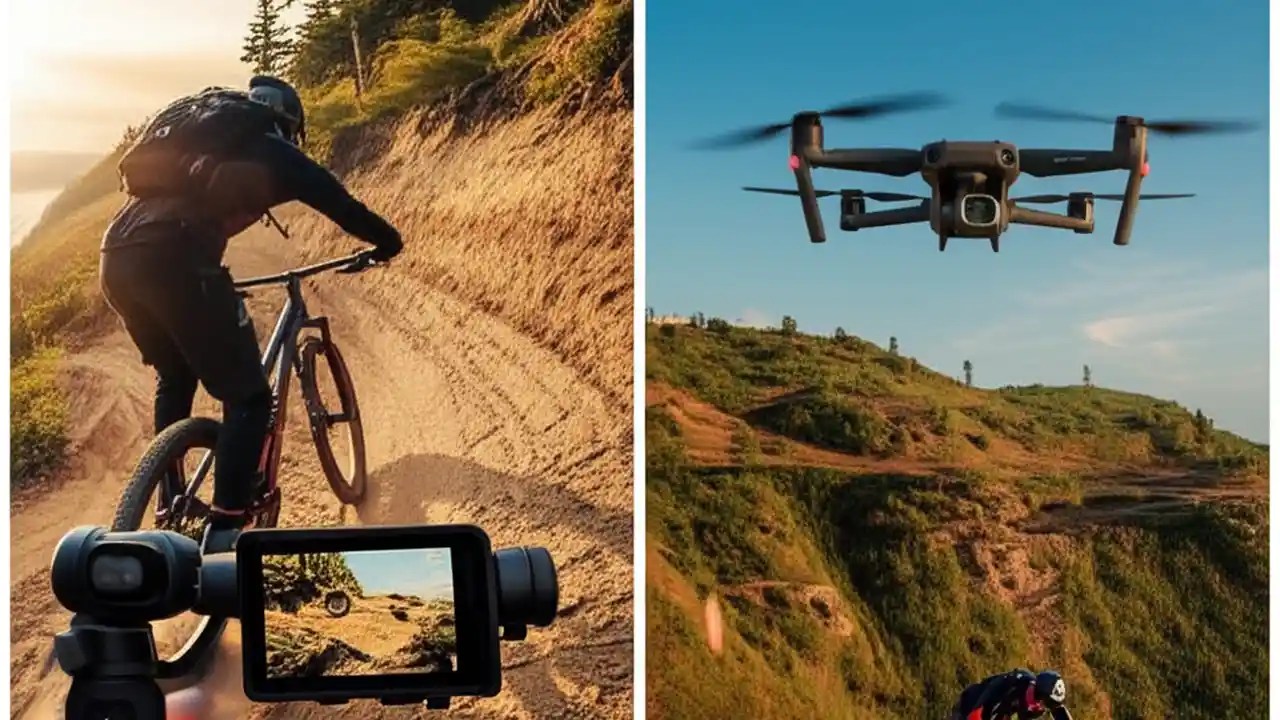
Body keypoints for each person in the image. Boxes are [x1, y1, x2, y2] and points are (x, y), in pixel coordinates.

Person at [100, 75, 403, 554]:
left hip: (117, 257)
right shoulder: (272, 149)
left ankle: (169, 501)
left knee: (174, 375)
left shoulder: (197, 143)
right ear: (287, 123)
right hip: (177, 258)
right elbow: (339, 203)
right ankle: (226, 532)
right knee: (249, 399)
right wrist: (388, 242)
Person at [949, 669, 1071, 720]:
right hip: (971, 706)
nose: (1044, 708)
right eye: (1046, 703)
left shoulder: (1035, 705)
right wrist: (977, 711)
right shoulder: (1014, 684)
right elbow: (991, 692)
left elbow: (1058, 709)